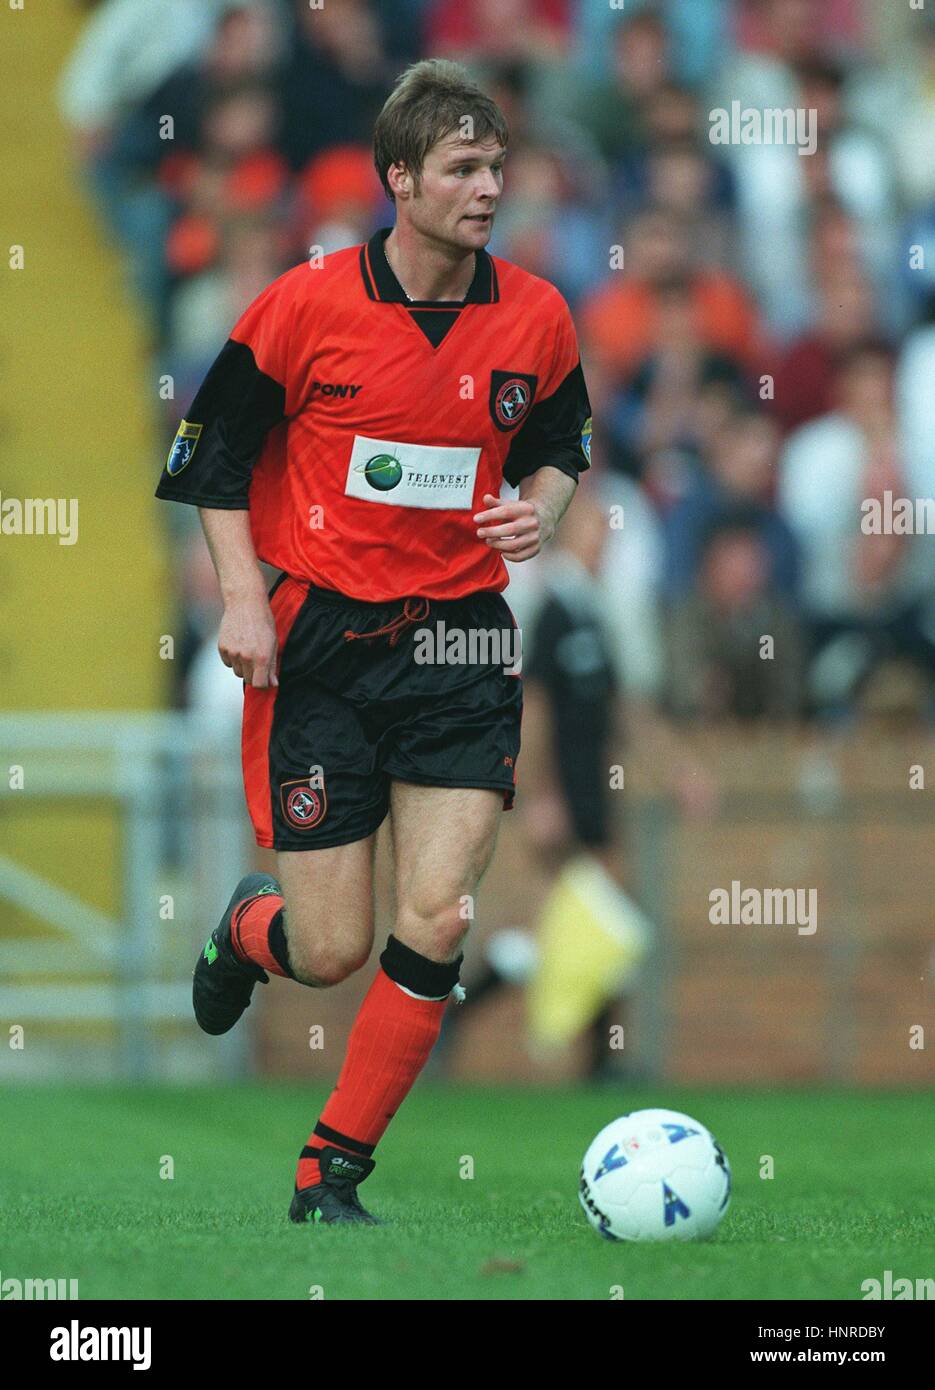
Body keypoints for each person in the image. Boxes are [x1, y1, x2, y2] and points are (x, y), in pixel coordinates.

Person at [154, 59, 591, 1224]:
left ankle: (329, 1168)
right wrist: (243, 601)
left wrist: (535, 512)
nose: (488, 187)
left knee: (439, 915)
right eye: (461, 167)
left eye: (496, 165)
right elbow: (210, 465)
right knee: (332, 945)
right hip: (322, 649)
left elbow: (562, 445)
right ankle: (250, 931)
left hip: (458, 647)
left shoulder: (536, 315)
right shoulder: (303, 305)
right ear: (398, 179)